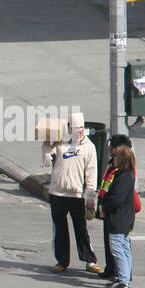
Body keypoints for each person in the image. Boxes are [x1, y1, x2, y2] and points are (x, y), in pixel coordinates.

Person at [42, 114, 102, 274]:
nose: (80, 130)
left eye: (82, 127)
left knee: (81, 229)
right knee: (60, 229)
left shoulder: (89, 147)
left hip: (76, 195)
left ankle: (90, 261)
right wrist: (46, 152)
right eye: (76, 128)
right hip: (57, 193)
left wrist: (90, 195)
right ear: (70, 128)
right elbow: (47, 143)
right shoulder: (61, 140)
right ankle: (62, 261)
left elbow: (91, 172)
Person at [100, 144, 137, 288]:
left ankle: (123, 281)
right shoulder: (125, 174)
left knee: (117, 247)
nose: (112, 159)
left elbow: (117, 199)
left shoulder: (123, 177)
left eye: (115, 157)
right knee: (124, 246)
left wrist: (104, 208)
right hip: (125, 216)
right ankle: (125, 277)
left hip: (119, 217)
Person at [94, 134, 130, 281]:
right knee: (109, 241)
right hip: (107, 207)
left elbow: (118, 196)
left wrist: (105, 206)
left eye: (112, 147)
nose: (110, 149)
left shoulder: (124, 170)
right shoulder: (112, 164)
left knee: (118, 245)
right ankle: (111, 269)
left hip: (117, 212)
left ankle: (122, 275)